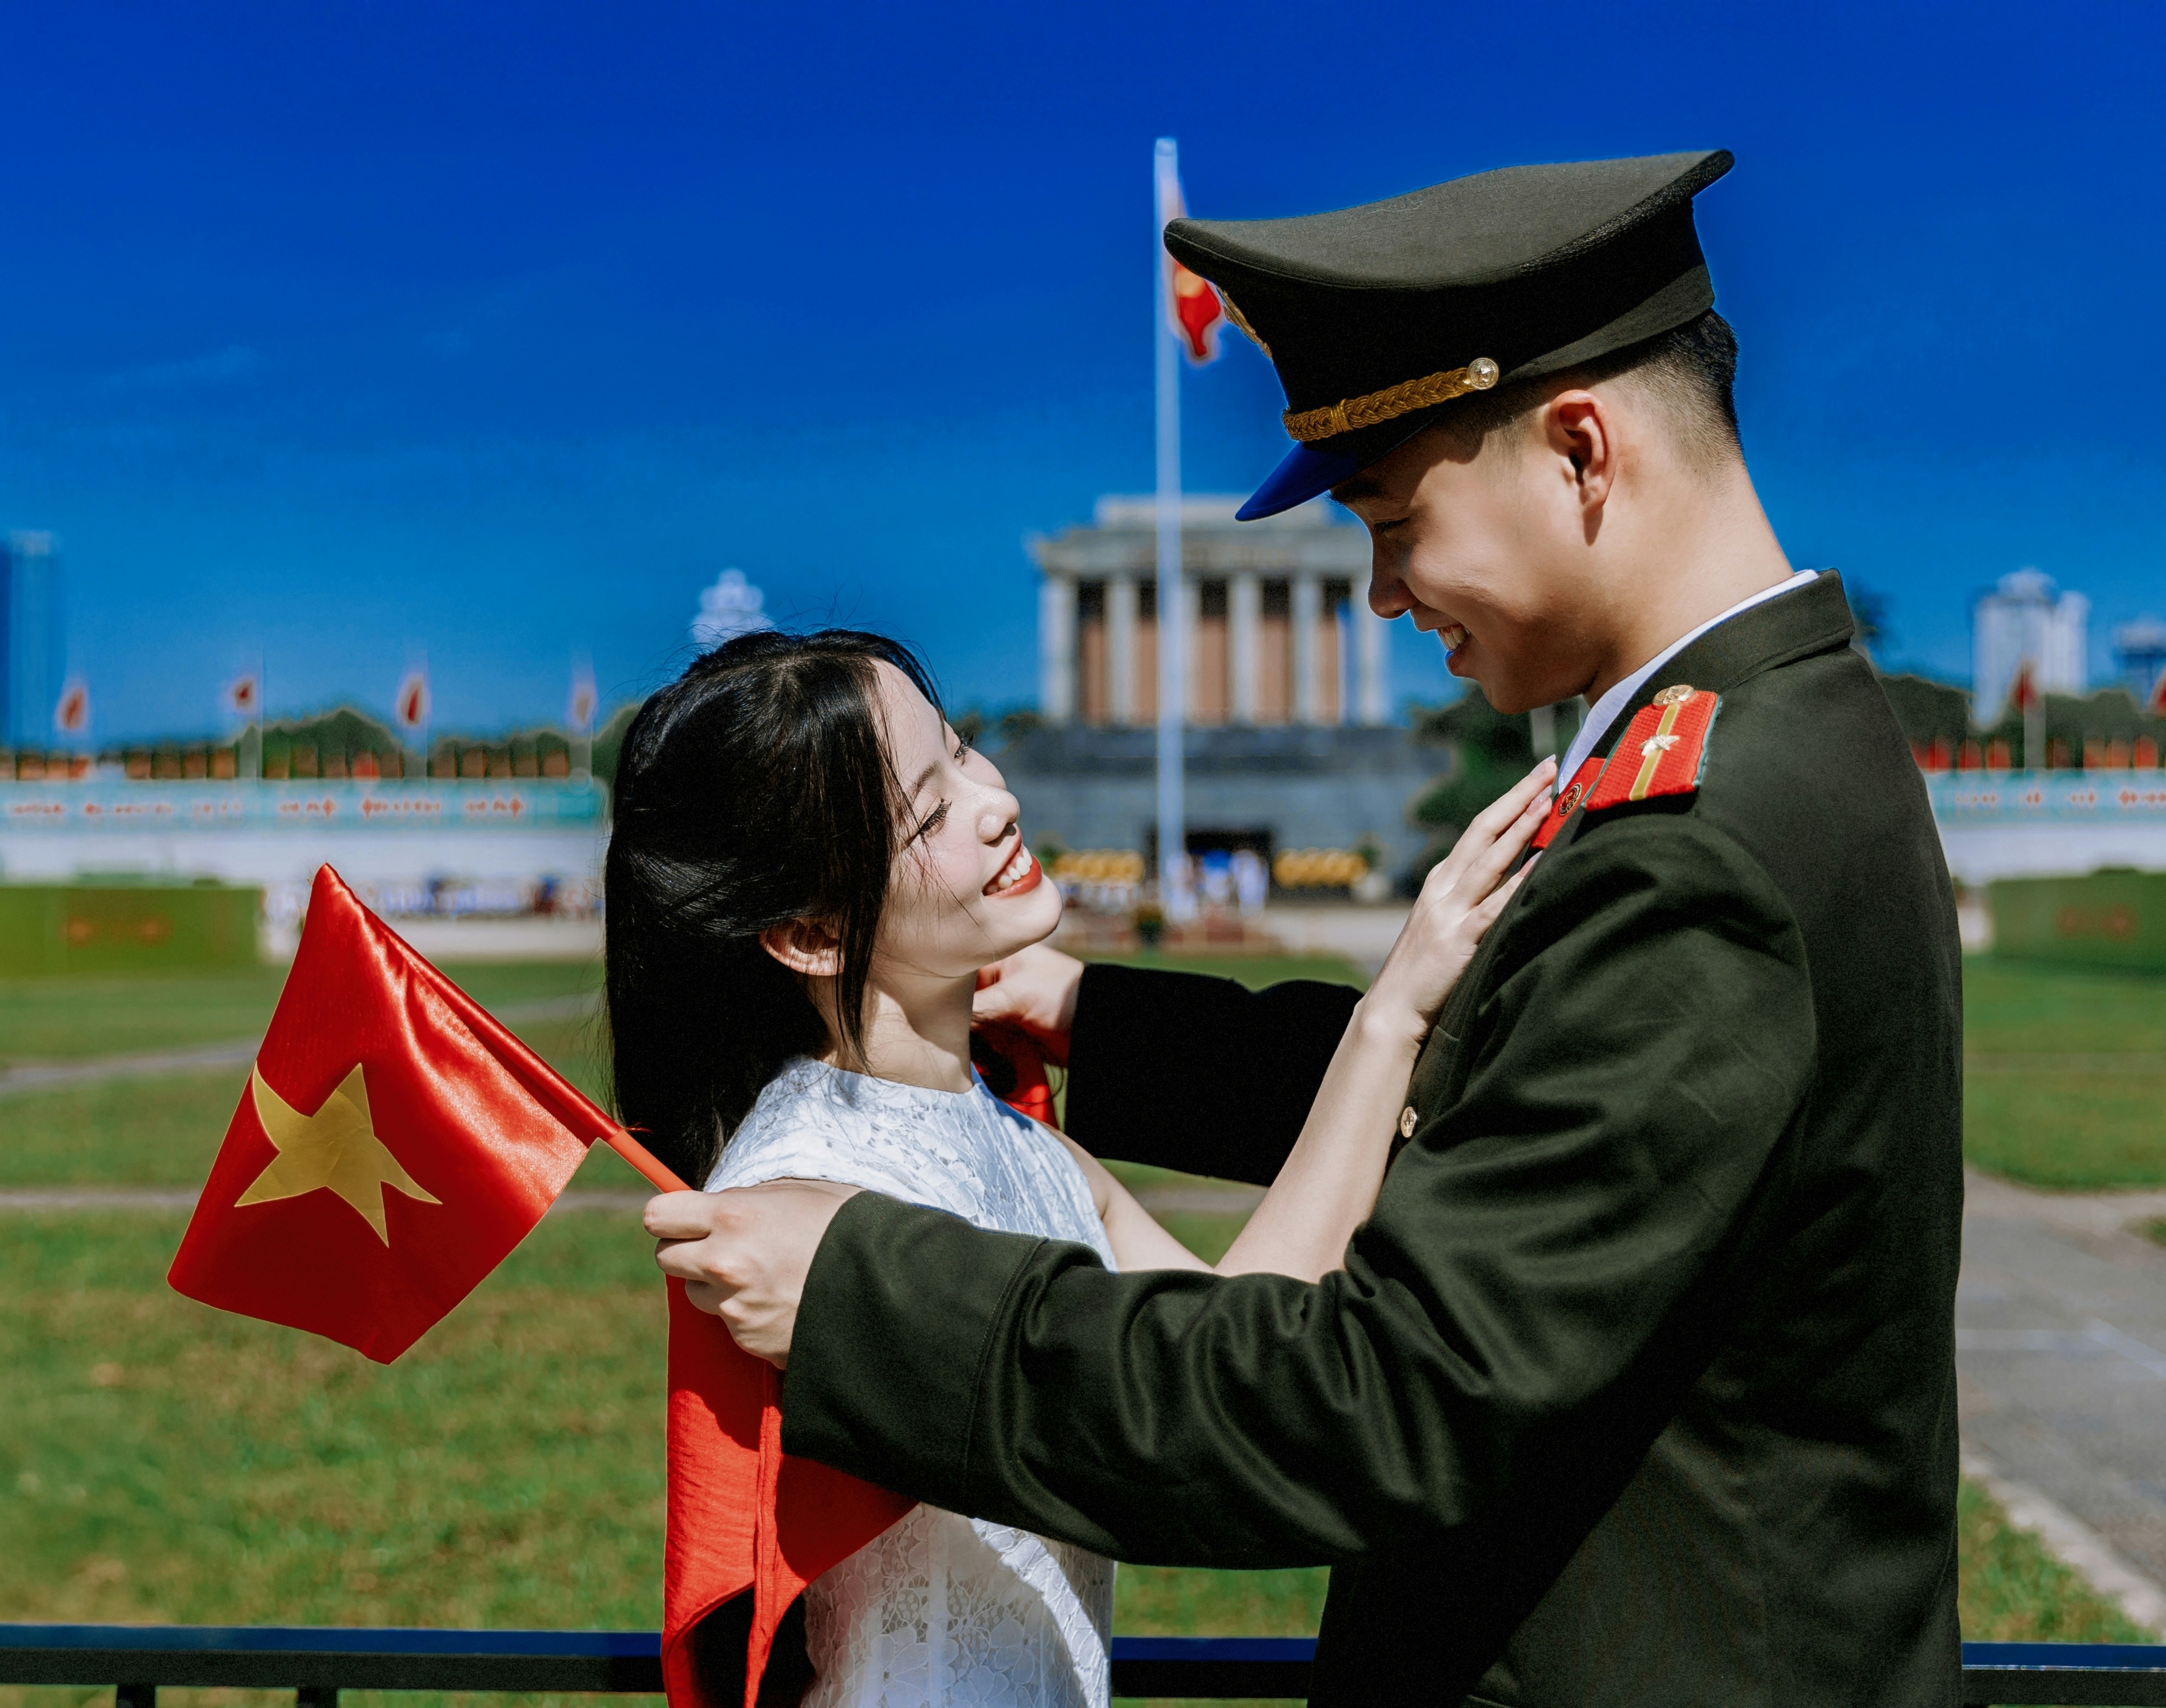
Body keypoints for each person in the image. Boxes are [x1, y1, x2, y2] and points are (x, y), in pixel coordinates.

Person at [648, 150, 1965, 1708]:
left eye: (1397, 521)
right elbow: (1522, 1114)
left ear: (1581, 453)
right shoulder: (1747, 749)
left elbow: (1382, 1398)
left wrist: (873, 1300)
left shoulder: (1704, 840)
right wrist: (1108, 1024)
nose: (1381, 593)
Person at [602, 627, 1556, 1708]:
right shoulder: (801, 1194)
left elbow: (1246, 1337)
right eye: (929, 810)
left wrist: (1391, 1017)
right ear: (814, 932)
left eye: (961, 750)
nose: (994, 801)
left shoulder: (1016, 1137)